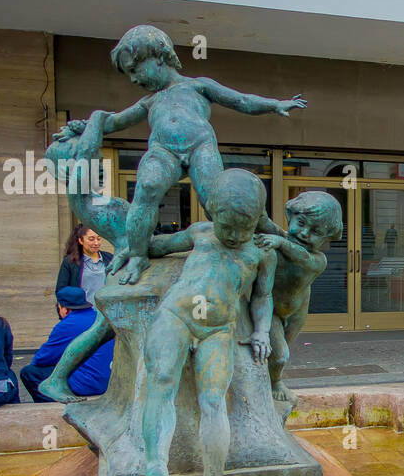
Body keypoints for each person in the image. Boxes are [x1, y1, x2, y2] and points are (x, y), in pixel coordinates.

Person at [53, 24, 305, 286]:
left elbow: (241, 101)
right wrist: (83, 126)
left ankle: (262, 237)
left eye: (135, 69)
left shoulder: (198, 86)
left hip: (200, 146)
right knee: (147, 188)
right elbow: (114, 122)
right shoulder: (149, 101)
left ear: (159, 57)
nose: (133, 79)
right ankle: (138, 255)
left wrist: (275, 105)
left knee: (216, 201)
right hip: (163, 151)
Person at [140, 169, 276, 476]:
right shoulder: (200, 232)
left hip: (218, 329)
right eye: (225, 225)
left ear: (257, 220)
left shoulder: (262, 253)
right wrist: (136, 246)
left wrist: (261, 330)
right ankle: (156, 461)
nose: (231, 235)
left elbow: (262, 297)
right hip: (177, 315)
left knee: (213, 400)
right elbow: (157, 245)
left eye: (240, 229)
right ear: (212, 214)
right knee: (161, 379)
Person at [255, 189, 344, 404]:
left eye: (315, 232)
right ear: (290, 215)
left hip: (297, 312)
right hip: (273, 308)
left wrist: (280, 243)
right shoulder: (282, 237)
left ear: (327, 237)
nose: (304, 234)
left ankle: (274, 381)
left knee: (280, 357)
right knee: (280, 355)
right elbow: (263, 221)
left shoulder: (318, 260)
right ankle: (272, 382)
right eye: (301, 223)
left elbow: (301, 256)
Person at [20, 287, 114, 402]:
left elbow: (41, 359)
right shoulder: (99, 318)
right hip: (109, 380)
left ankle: (52, 405)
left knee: (29, 372)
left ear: (64, 309)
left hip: (87, 384)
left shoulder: (67, 324)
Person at [57, 224, 113, 305]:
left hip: (107, 312)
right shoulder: (71, 262)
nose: (96, 243)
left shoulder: (110, 258)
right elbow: (61, 290)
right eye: (91, 239)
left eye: (99, 239)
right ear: (81, 240)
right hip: (83, 312)